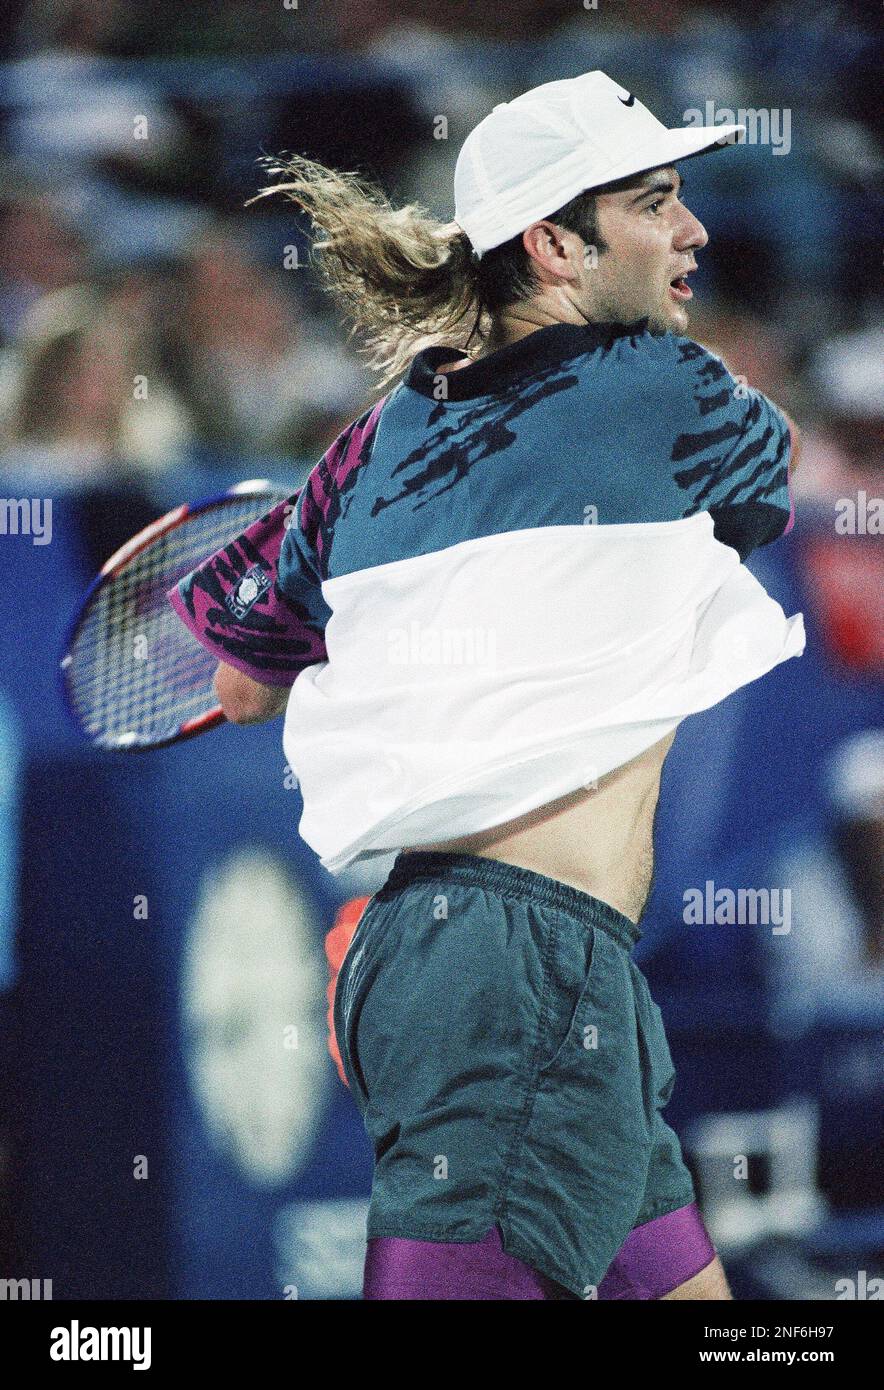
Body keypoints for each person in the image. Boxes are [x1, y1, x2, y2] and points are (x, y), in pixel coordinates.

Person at [169, 72, 805, 1299]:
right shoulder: (669, 392)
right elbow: (754, 497)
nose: (694, 234)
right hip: (521, 977)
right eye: (655, 204)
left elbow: (242, 688)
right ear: (556, 243)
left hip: (460, 958)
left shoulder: (362, 450)